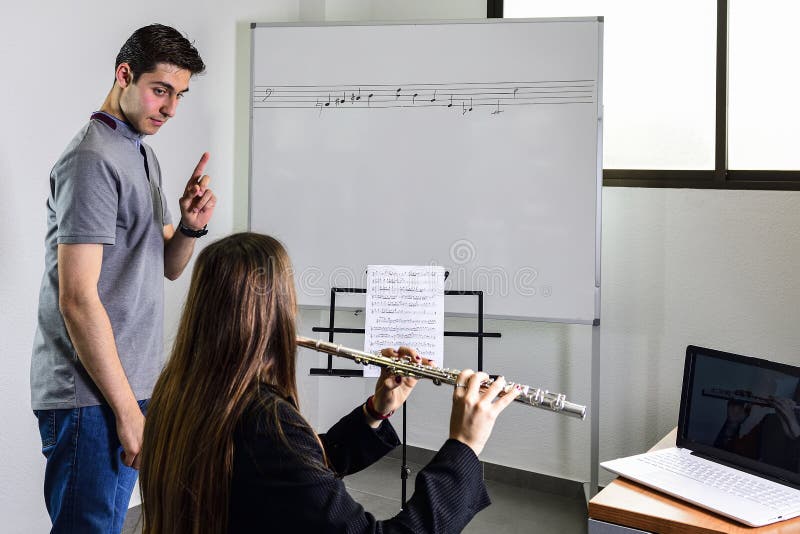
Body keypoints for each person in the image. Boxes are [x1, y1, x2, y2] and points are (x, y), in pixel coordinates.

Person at [140, 232, 520, 533]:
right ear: (270, 312)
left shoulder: (177, 392)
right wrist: (463, 446)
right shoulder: (264, 418)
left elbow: (292, 470)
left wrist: (375, 411)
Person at [30, 24, 216, 533]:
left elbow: (167, 266)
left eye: (179, 95)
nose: (170, 108)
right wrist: (127, 413)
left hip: (125, 387)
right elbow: (76, 299)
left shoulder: (140, 152)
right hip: (90, 396)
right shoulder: (91, 159)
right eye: (161, 90)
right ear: (124, 75)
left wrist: (190, 225)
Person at [714, 382, 800, 472]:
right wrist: (733, 424)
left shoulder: (790, 422)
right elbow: (731, 460)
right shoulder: (771, 422)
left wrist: (796, 432)